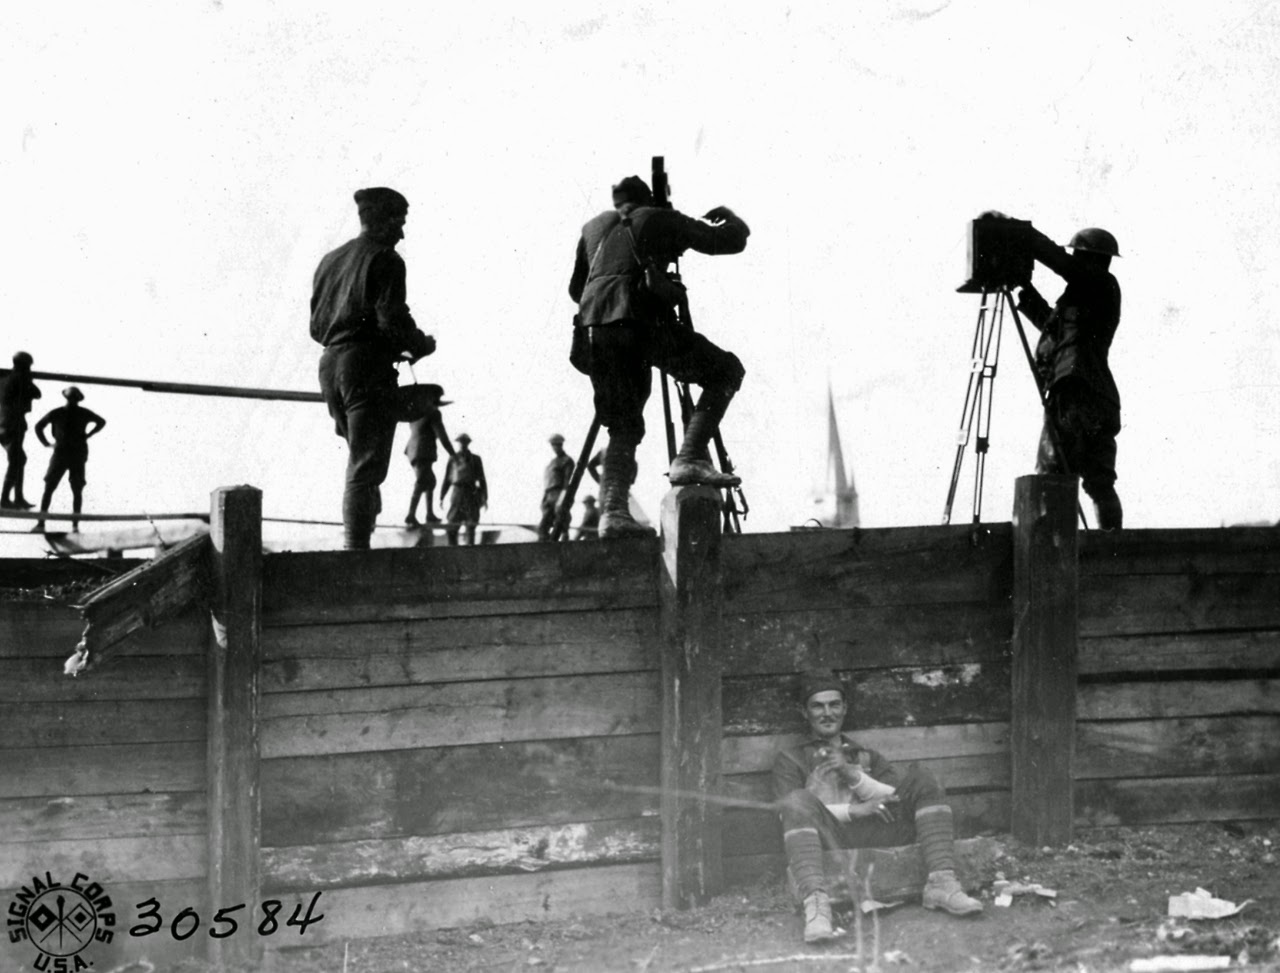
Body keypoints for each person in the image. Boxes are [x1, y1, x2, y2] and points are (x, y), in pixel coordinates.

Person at [568, 175, 749, 538]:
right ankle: (690, 457)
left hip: (594, 333)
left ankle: (613, 512)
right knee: (725, 371)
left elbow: (577, 289)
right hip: (641, 325)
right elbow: (727, 241)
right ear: (648, 200)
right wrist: (731, 217)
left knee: (623, 425)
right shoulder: (659, 218)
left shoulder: (593, 227)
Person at [773, 669, 982, 944]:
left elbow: (896, 797)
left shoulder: (866, 755)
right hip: (830, 841)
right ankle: (816, 904)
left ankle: (941, 882)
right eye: (818, 706)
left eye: (834, 705)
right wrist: (854, 810)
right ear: (805, 712)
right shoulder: (790, 759)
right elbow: (788, 813)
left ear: (845, 708)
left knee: (923, 778)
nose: (827, 713)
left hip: (880, 833)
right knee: (796, 799)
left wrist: (854, 776)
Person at [311, 187, 436, 550]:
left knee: (361, 458)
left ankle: (359, 540)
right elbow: (391, 319)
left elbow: (316, 327)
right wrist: (419, 344)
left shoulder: (330, 260)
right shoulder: (386, 259)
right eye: (399, 222)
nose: (402, 233)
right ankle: (355, 555)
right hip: (366, 367)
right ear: (382, 221)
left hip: (330, 366)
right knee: (365, 466)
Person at [1009, 220, 1124, 529]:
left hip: (1075, 395)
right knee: (1099, 481)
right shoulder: (1088, 298)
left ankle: (1054, 550)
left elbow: (1063, 265)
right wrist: (1026, 291)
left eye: (1078, 257)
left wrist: (1027, 237)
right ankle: (1111, 548)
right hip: (1097, 398)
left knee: (1051, 476)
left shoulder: (1101, 283)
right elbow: (1058, 332)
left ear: (1089, 259)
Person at [31, 387, 106, 533]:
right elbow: (38, 427)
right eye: (71, 398)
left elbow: (101, 422)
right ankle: (42, 524)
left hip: (75, 453)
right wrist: (46, 444)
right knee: (51, 486)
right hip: (64, 453)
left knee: (75, 489)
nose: (72, 401)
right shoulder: (59, 413)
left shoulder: (75, 413)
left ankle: (74, 526)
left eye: (74, 399)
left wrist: (89, 434)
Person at [403, 384, 454, 527]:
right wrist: (453, 454)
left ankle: (429, 514)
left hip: (414, 451)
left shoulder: (416, 413)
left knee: (430, 481)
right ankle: (411, 515)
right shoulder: (433, 413)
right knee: (422, 481)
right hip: (422, 451)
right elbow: (442, 435)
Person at [0, 351, 41, 510]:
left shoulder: (4, 379)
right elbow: (37, 393)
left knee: (19, 459)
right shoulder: (20, 379)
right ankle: (5, 499)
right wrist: (28, 379)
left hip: (4, 422)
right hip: (12, 424)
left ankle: (17, 497)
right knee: (17, 460)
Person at [441, 432, 487, 545]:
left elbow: (482, 480)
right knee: (452, 525)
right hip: (457, 493)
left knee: (471, 525)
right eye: (461, 442)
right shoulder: (453, 459)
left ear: (468, 443)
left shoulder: (476, 459)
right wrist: (441, 497)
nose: (463, 444)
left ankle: (470, 551)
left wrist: (485, 498)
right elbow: (447, 479)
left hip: (471, 493)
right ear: (458, 443)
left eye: (465, 442)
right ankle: (452, 551)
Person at [537, 433, 575, 541]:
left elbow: (567, 482)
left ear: (561, 445)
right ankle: (545, 547)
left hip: (559, 494)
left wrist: (562, 498)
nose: (554, 447)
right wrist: (545, 498)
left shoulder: (567, 460)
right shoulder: (552, 462)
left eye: (556, 445)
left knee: (561, 524)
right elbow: (548, 482)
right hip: (549, 495)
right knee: (543, 527)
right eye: (553, 445)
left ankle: (564, 542)